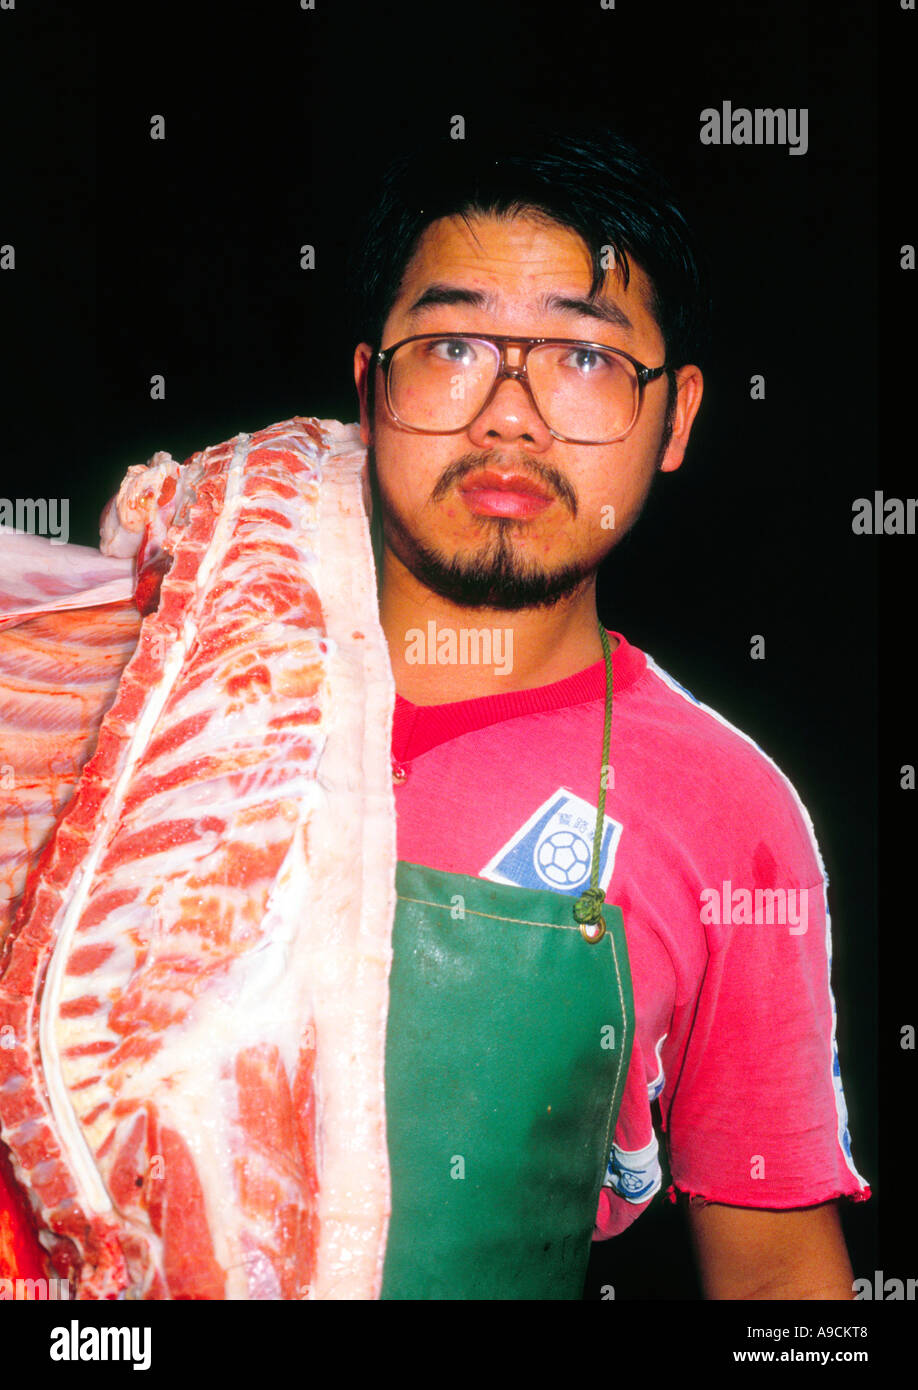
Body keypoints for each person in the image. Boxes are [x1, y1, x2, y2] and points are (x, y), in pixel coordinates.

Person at [347, 126, 870, 1300]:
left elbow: (782, 1283)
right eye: (455, 344)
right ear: (370, 388)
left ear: (675, 418)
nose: (512, 417)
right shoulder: (161, 691)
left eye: (583, 359)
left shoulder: (732, 813)